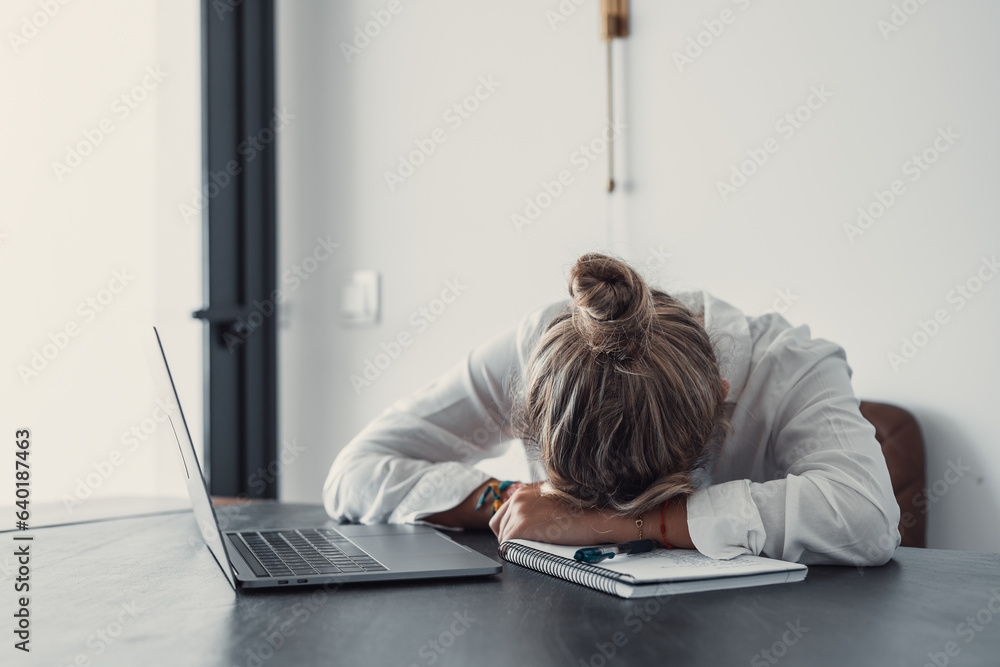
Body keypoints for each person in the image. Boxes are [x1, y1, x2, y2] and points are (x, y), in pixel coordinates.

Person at [323, 253, 901, 565]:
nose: (597, 510)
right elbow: (356, 470)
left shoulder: (791, 364)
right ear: (532, 403)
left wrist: (615, 524)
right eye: (584, 495)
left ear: (718, 398)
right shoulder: (538, 350)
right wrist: (511, 502)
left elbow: (867, 517)